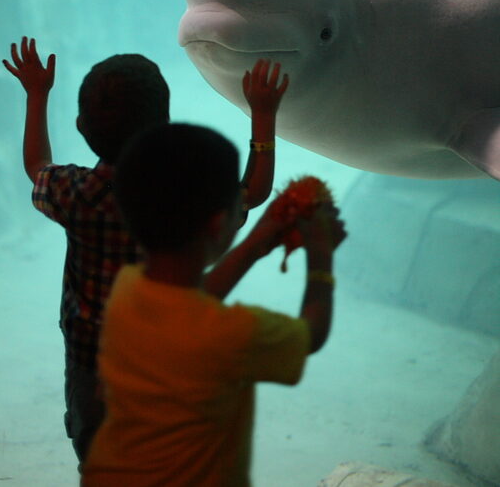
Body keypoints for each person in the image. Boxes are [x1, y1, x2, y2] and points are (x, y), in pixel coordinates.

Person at [2, 36, 289, 465]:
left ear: (82, 126)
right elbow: (254, 190)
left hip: (91, 368)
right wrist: (263, 117)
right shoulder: (184, 198)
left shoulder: (75, 193)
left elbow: (36, 165)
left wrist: (37, 95)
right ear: (165, 128)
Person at [81, 122, 347, 487]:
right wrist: (322, 254)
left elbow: (190, 301)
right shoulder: (231, 334)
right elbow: (311, 334)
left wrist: (255, 244)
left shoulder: (127, 290)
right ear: (221, 222)